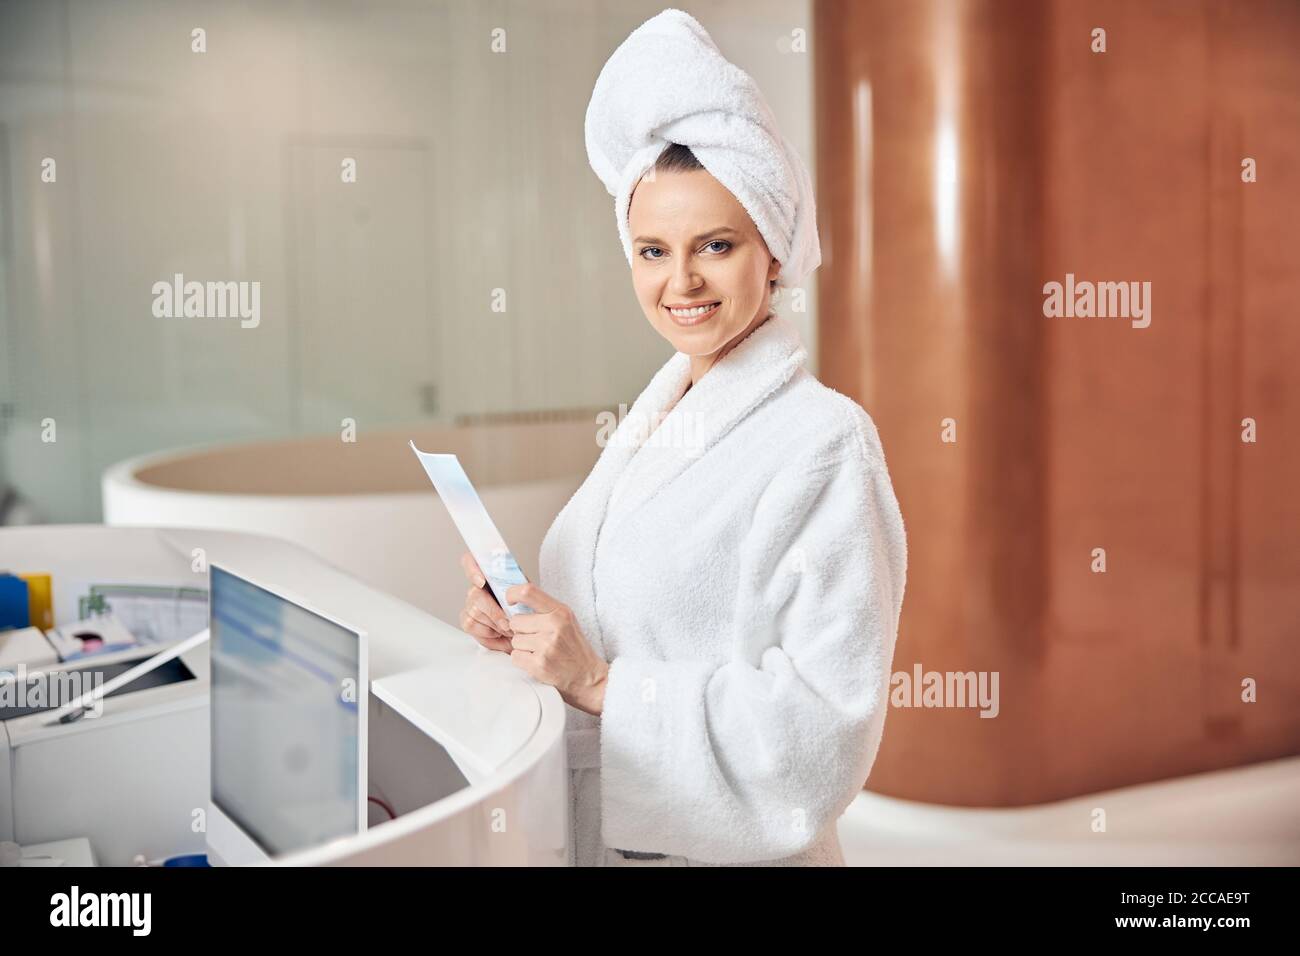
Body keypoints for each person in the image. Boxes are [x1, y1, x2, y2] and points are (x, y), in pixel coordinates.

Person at [458, 8, 907, 867]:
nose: (681, 282)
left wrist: (596, 682)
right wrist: (522, 622)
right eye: (652, 250)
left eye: (716, 245)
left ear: (773, 252)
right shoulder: (661, 412)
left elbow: (822, 735)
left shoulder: (825, 445)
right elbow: (620, 614)